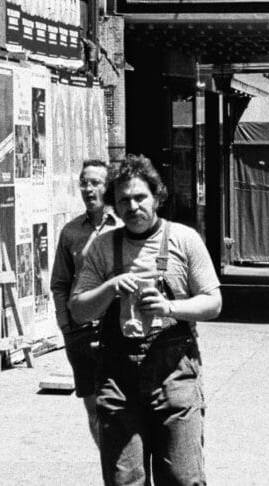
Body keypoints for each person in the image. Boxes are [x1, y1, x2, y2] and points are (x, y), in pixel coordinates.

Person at [70, 155, 222, 486]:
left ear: (156, 197)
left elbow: (213, 302)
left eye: (140, 197)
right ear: (114, 205)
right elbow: (79, 309)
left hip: (174, 373)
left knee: (182, 478)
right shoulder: (103, 247)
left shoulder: (184, 239)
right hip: (118, 376)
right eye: (123, 200)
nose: (133, 206)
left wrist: (170, 308)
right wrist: (110, 287)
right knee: (124, 479)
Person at [49, 159, 119, 444]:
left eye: (96, 183)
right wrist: (67, 328)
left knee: (120, 406)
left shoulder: (124, 226)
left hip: (117, 328)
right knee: (94, 408)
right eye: (84, 183)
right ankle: (111, 470)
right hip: (81, 331)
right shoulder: (71, 232)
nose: (89, 189)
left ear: (108, 187)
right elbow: (60, 283)